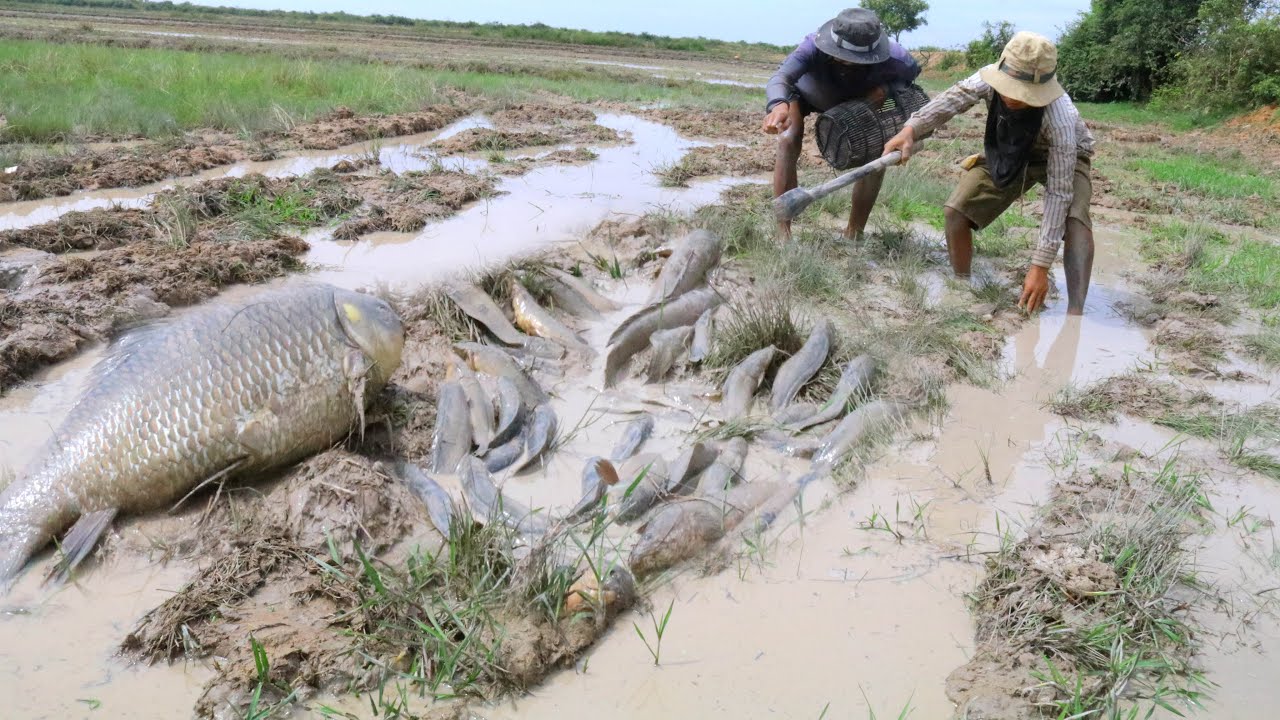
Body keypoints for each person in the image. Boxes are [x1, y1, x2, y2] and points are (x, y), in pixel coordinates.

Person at [883, 31, 1096, 315]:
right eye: (1008, 88)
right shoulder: (985, 80)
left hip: (1064, 155)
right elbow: (951, 100)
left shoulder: (1061, 120)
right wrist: (911, 129)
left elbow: (1059, 194)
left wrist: (1040, 266)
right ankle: (962, 287)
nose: (1012, 97)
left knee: (1075, 221)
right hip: (1011, 150)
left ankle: (1076, 314)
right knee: (955, 212)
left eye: (1023, 94)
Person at [763, 8, 921, 241]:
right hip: (806, 94)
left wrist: (884, 90)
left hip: (858, 102)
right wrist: (778, 104)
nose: (848, 63)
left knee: (877, 159)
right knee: (787, 139)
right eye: (842, 57)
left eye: (856, 61)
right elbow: (781, 77)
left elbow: (909, 78)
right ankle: (783, 232)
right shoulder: (811, 46)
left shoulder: (898, 59)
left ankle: (854, 233)